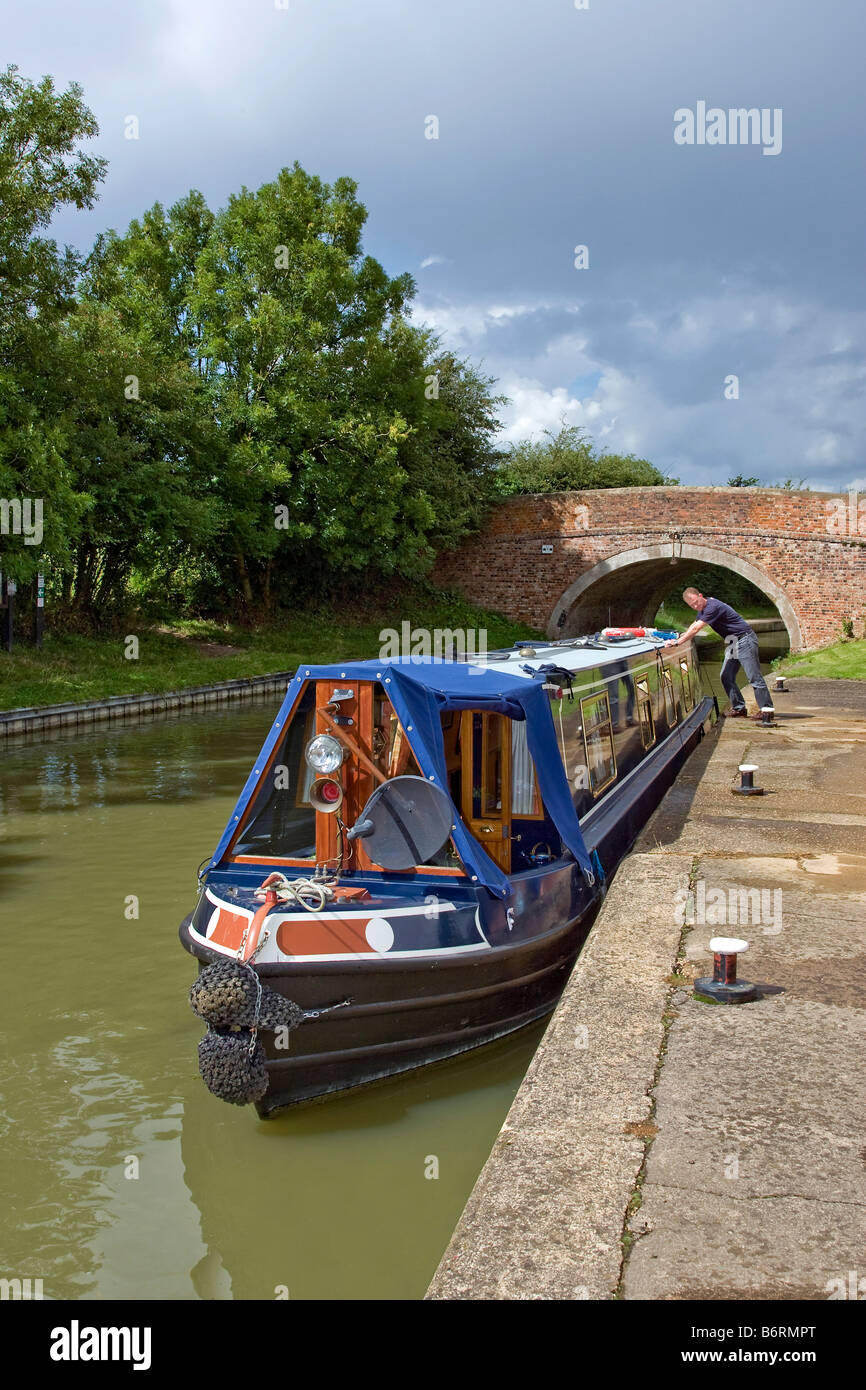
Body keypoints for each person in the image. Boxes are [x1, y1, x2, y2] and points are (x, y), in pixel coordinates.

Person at [663, 588, 774, 719]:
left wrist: (678, 642)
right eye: (691, 605)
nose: (695, 606)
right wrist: (679, 637)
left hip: (745, 640)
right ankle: (739, 708)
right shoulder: (703, 608)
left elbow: (697, 628)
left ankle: (767, 711)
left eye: (695, 602)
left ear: (700, 595)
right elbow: (695, 623)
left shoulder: (712, 606)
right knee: (726, 676)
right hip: (733, 642)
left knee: (754, 677)